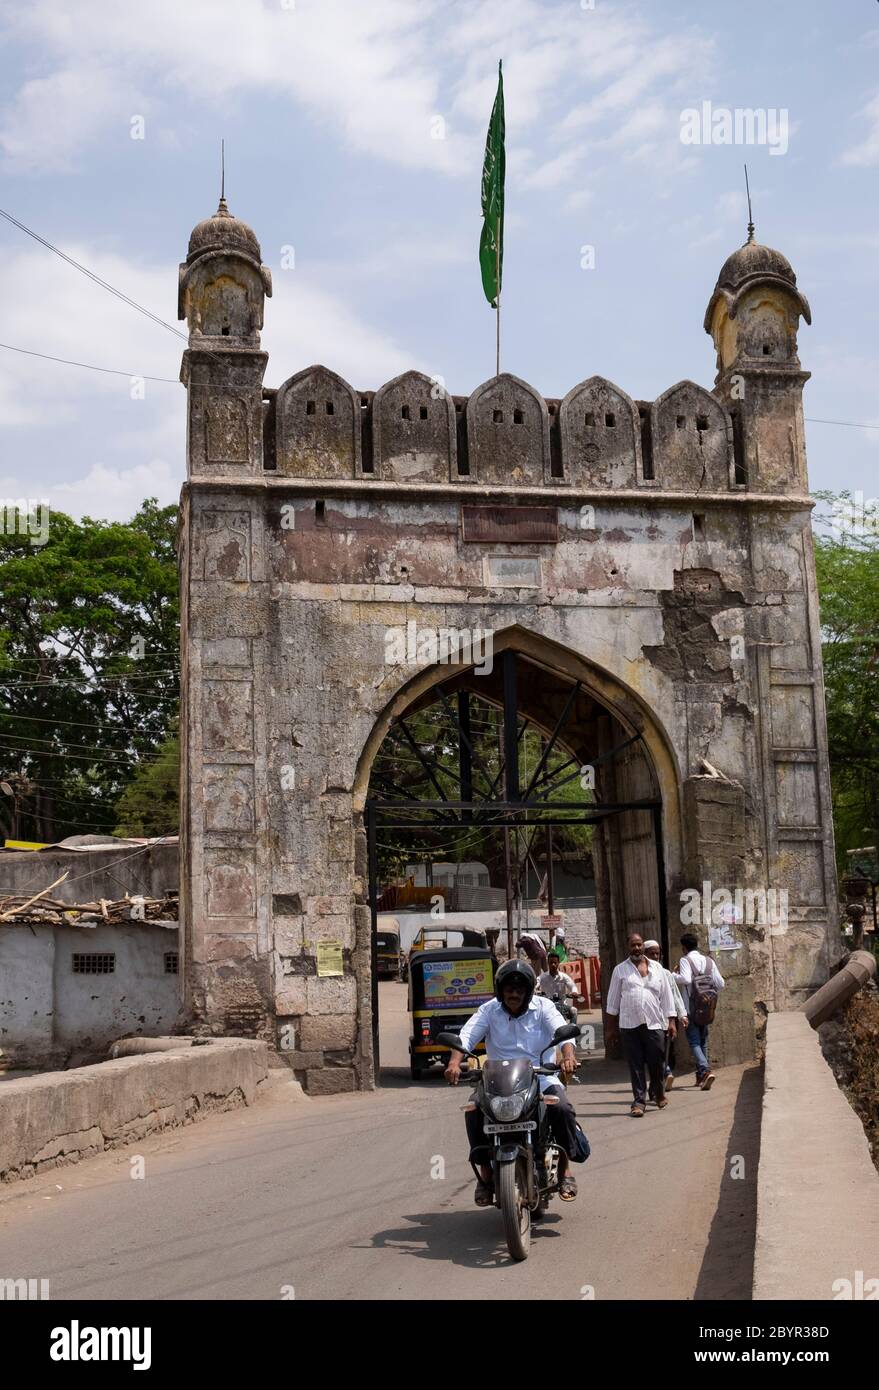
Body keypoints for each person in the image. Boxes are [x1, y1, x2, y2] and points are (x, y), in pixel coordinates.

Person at [445, 959, 586, 1205]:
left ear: (529, 990)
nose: (514, 993)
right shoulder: (489, 1010)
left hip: (540, 1076)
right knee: (473, 1110)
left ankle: (565, 1170)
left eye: (520, 989)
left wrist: (568, 1056)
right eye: (509, 988)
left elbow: (561, 1031)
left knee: (561, 1108)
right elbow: (465, 1037)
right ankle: (486, 1176)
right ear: (501, 990)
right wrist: (454, 1062)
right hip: (497, 1082)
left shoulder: (543, 1007)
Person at [604, 932, 676, 1117]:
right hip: (629, 1025)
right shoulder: (620, 970)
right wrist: (610, 1029)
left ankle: (658, 1093)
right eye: (633, 945)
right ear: (628, 947)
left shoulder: (657, 968)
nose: (636, 948)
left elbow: (667, 997)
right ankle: (639, 1102)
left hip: (654, 1023)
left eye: (639, 944)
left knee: (657, 1061)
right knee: (635, 1065)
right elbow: (612, 1002)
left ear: (643, 946)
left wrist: (672, 1021)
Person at [674, 933, 725, 1090]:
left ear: (684, 947)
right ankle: (701, 1077)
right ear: (696, 944)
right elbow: (721, 984)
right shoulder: (709, 961)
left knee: (694, 1041)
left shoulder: (685, 960)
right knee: (703, 1041)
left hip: (691, 1008)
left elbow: (686, 979)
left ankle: (705, 1070)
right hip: (707, 1007)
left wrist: (672, 975)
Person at [643, 940, 687, 1096]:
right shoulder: (640, 973)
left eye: (657, 953)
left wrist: (681, 1015)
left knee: (660, 1051)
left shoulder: (666, 974)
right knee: (651, 1055)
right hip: (646, 1022)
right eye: (651, 953)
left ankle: (663, 1075)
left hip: (664, 1020)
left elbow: (675, 995)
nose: (655, 956)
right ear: (644, 955)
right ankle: (660, 1080)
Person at [537, 951, 578, 1024]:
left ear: (558, 963)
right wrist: (534, 989)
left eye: (555, 963)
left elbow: (572, 985)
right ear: (548, 963)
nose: (553, 965)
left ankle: (572, 1032)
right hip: (547, 1006)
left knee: (574, 1011)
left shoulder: (564, 977)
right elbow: (536, 983)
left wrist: (574, 992)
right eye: (551, 963)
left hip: (562, 1005)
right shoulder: (543, 977)